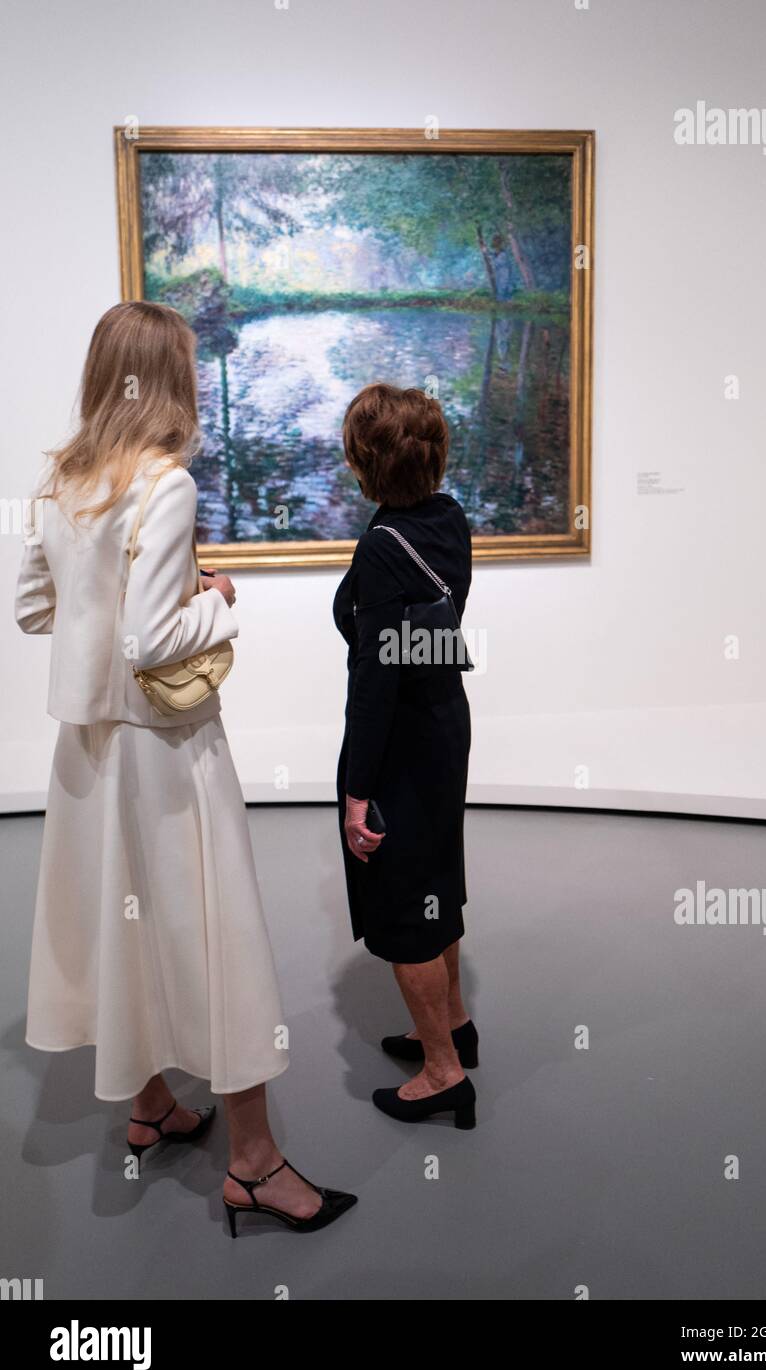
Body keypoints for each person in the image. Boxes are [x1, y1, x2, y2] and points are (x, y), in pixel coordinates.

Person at [15, 301, 356, 1235]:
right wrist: (223, 601)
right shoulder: (165, 485)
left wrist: (110, 606)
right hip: (168, 757)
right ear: (170, 378)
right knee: (216, 935)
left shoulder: (60, 484)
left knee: (123, 926)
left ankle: (151, 1104)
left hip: (86, 758)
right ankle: (253, 1162)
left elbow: (35, 613)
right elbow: (152, 639)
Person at [333, 383, 479, 1129]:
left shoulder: (383, 545)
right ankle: (454, 1025)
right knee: (437, 879)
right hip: (445, 719)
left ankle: (443, 1073)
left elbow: (375, 679)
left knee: (403, 907)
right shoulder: (446, 520)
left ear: (366, 460)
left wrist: (358, 791)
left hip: (400, 740)